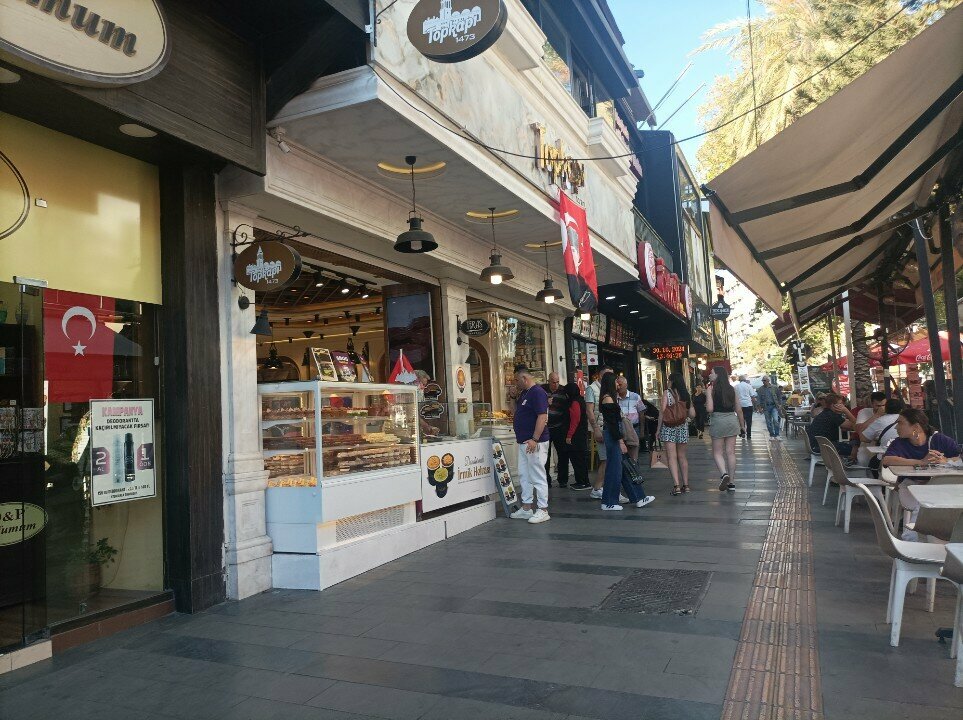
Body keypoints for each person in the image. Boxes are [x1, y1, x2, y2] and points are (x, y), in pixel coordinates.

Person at [882, 408, 961, 538]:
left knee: (928, 502)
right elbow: (887, 460)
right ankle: (915, 536)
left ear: (916, 427)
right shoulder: (900, 443)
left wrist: (945, 460)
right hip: (911, 486)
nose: (896, 427)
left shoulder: (939, 440)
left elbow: (958, 457)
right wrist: (920, 462)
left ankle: (916, 536)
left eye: (900, 423)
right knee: (923, 503)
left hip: (940, 487)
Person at [597, 372, 654, 511]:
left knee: (623, 469)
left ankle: (639, 497)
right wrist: (621, 442)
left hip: (614, 436)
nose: (618, 384)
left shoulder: (610, 398)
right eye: (616, 381)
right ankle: (609, 501)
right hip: (613, 437)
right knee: (615, 469)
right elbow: (612, 424)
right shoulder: (608, 399)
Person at [509, 366, 551, 524]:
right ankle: (527, 507)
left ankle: (543, 509)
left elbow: (542, 416)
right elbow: (515, 413)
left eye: (516, 380)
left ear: (524, 378)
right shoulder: (525, 394)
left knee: (537, 475)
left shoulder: (537, 392)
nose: (514, 383)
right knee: (524, 475)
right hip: (523, 441)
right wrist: (512, 398)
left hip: (534, 441)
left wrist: (535, 438)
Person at [706, 367, 743, 491]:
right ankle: (731, 482)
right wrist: (742, 426)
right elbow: (738, 409)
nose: (710, 375)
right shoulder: (732, 389)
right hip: (732, 421)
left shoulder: (710, 389)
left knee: (717, 452)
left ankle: (723, 474)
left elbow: (710, 409)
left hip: (718, 421)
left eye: (711, 373)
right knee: (731, 452)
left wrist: (708, 400)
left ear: (717, 375)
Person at [657, 372, 692, 496]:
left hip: (668, 427)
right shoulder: (686, 394)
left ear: (672, 381)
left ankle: (677, 486)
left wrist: (657, 430)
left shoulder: (667, 393)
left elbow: (662, 412)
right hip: (682, 426)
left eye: (668, 380)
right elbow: (692, 414)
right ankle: (686, 485)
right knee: (682, 456)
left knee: (672, 457)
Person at [856, 397, 904, 467]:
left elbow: (863, 438)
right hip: (905, 455)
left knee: (872, 464)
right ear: (901, 410)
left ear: (885, 409)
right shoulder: (906, 420)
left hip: (885, 457)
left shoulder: (880, 421)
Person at [541, 372, 569, 488]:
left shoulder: (563, 391)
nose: (556, 384)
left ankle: (562, 480)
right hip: (545, 427)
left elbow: (568, 408)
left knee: (562, 454)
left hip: (559, 427)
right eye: (553, 382)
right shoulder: (542, 390)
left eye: (557, 382)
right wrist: (545, 403)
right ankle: (546, 480)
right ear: (548, 381)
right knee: (545, 456)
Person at [807, 392, 856, 456]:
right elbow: (854, 426)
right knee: (856, 450)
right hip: (822, 447)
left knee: (850, 446)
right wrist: (846, 411)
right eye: (840, 404)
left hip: (816, 445)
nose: (843, 406)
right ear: (833, 405)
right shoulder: (832, 415)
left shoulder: (826, 413)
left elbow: (844, 427)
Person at [563, 381, 592, 490]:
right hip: (580, 435)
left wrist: (569, 435)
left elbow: (575, 420)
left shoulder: (575, 402)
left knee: (578, 459)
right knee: (580, 459)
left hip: (576, 436)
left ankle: (583, 482)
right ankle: (582, 481)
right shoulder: (580, 400)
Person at [616, 376, 644, 461]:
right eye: (617, 385)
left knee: (634, 455)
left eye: (620, 385)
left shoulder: (635, 396)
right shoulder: (614, 398)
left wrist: (642, 430)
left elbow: (641, 413)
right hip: (620, 429)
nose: (618, 387)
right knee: (621, 454)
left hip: (634, 428)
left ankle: (634, 472)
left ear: (626, 385)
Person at [735, 375, 757, 440]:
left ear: (739, 380)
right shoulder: (749, 386)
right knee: (749, 421)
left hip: (740, 405)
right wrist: (754, 406)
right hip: (748, 404)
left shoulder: (736, 387)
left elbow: (734, 397)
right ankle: (749, 435)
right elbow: (752, 396)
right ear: (745, 380)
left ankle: (743, 433)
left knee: (741, 420)